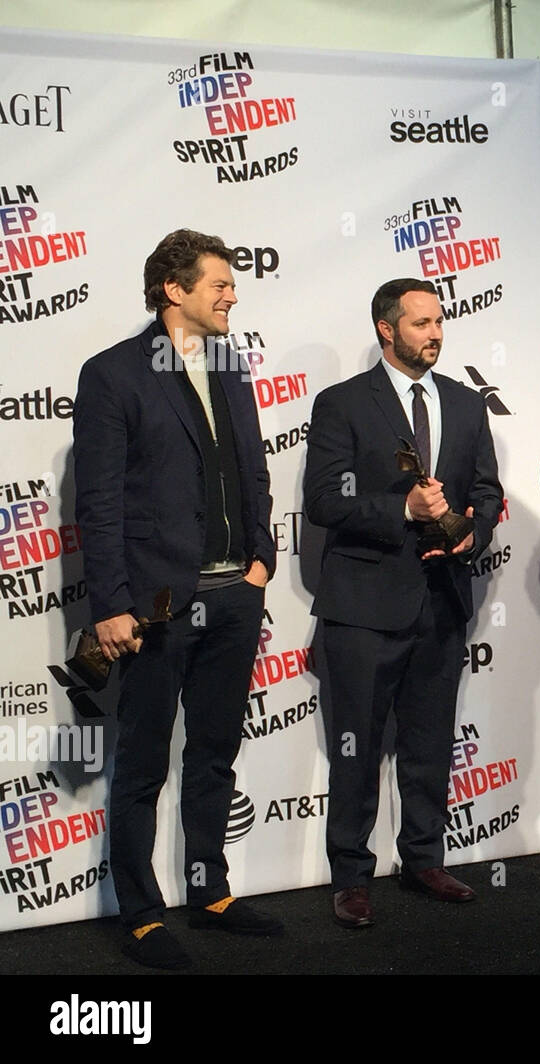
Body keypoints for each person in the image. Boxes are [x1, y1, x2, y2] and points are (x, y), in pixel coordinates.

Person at [73, 229, 281, 969]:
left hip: (235, 596)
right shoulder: (112, 375)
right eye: (220, 284)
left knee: (215, 753)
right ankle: (138, 911)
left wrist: (263, 560)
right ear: (174, 290)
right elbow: (98, 503)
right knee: (142, 762)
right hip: (157, 605)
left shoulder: (229, 363)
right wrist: (111, 604)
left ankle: (210, 890)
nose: (233, 295)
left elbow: (252, 466)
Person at [304, 278, 503, 928]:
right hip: (362, 609)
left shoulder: (467, 405)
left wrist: (475, 531)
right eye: (421, 323)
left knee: (430, 743)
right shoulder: (342, 404)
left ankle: (424, 859)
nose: (435, 333)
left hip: (441, 605)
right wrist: (402, 508)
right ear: (386, 329)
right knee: (356, 748)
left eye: (439, 320)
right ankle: (352, 876)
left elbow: (488, 492)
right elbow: (327, 502)